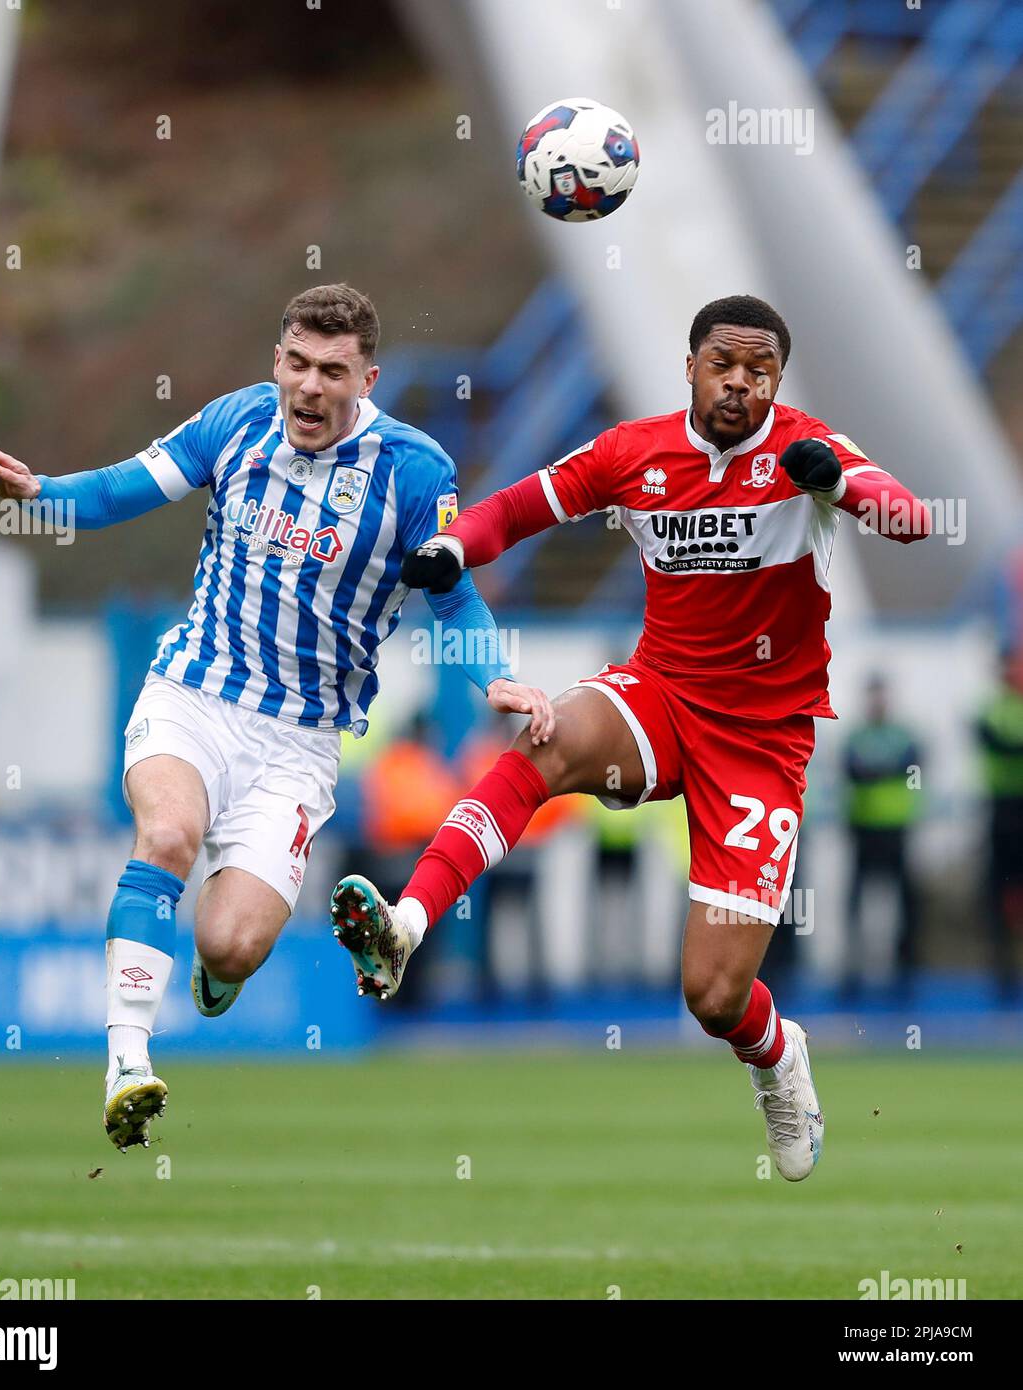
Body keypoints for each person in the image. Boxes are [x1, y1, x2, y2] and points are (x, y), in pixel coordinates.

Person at [330, 293, 930, 1182]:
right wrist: (456, 551)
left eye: (758, 370)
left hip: (763, 737)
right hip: (661, 693)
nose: (739, 384)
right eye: (722, 365)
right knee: (542, 743)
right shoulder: (634, 452)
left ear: (777, 379)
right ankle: (409, 922)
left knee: (713, 995)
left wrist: (835, 485)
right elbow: (523, 505)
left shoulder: (805, 449)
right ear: (688, 366)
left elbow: (908, 516)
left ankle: (776, 1057)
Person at [0, 283, 554, 1151]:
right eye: (297, 364)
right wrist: (36, 491)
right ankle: (126, 1062)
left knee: (229, 945)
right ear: (277, 360)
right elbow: (123, 491)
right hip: (193, 693)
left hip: (298, 744)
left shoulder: (414, 473)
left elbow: (453, 600)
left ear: (366, 377)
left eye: (332, 372)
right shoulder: (236, 422)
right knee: (166, 836)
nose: (309, 387)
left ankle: (214, 975)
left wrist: (495, 678)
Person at [841, 676, 922, 1001]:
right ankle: (854, 975)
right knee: (856, 906)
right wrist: (883, 770)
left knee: (905, 906)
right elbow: (854, 770)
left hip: (896, 830)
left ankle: (905, 976)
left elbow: (908, 768)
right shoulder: (857, 737)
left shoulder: (903, 736)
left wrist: (875, 770)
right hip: (863, 830)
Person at [975, 648, 1023, 1000]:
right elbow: (999, 743)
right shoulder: (991, 710)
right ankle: (1002, 974)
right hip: (1003, 811)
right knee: (998, 894)